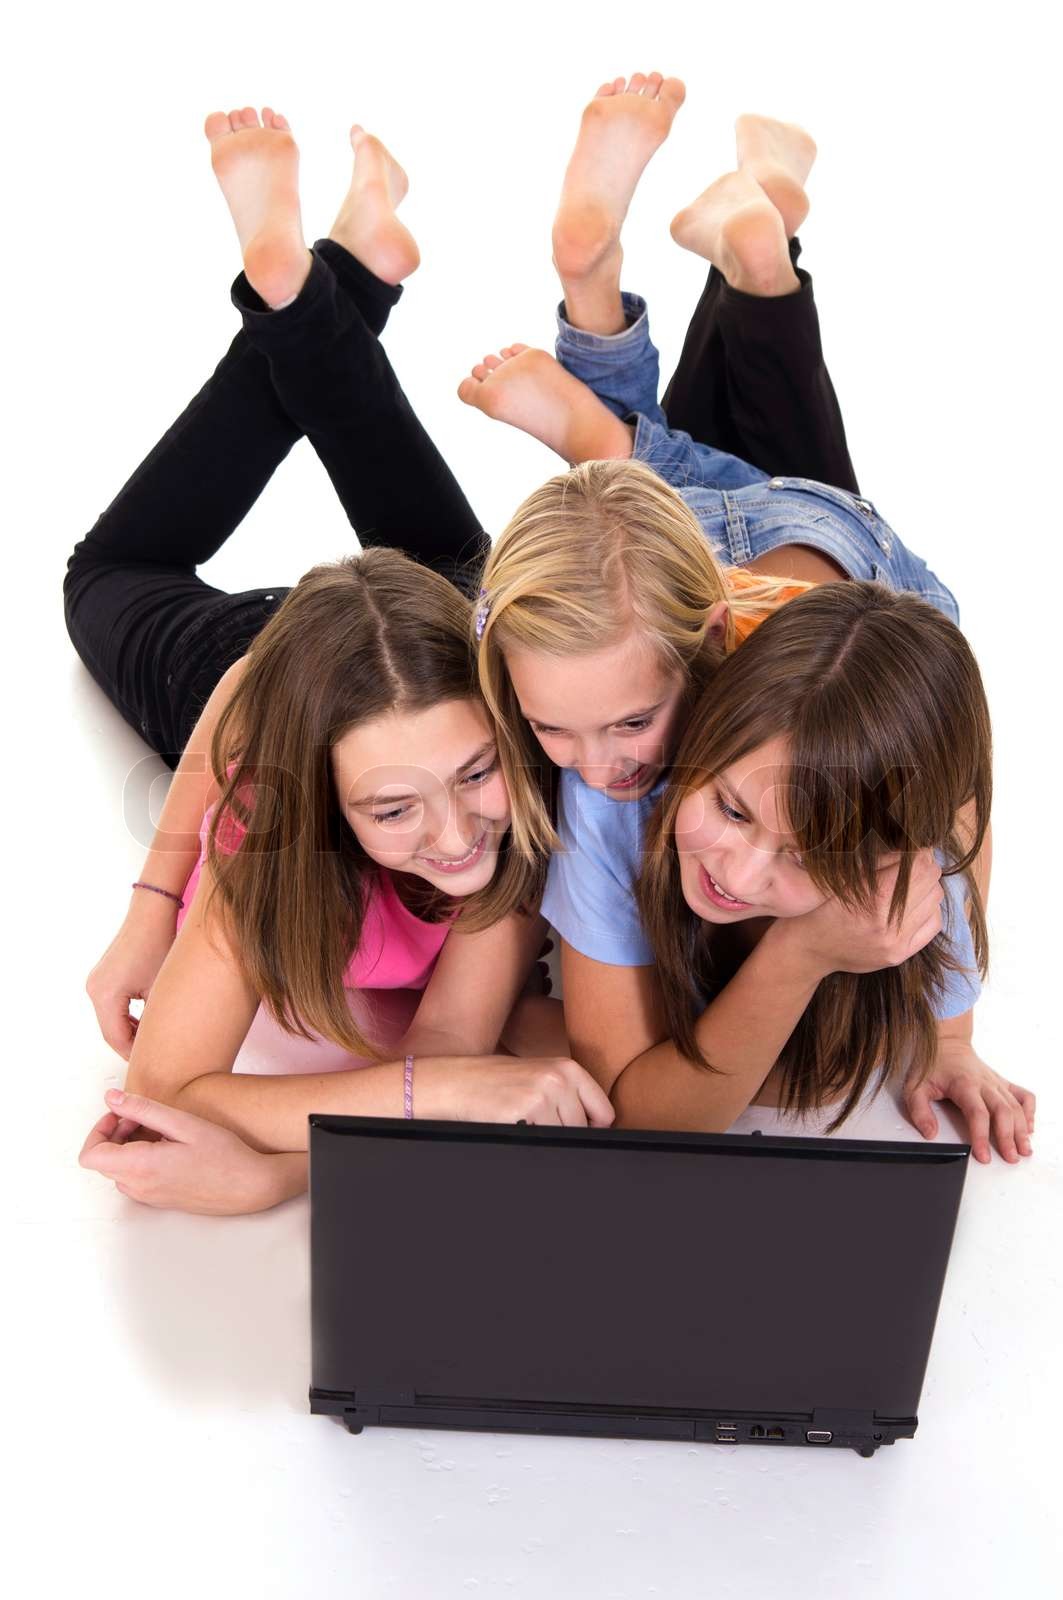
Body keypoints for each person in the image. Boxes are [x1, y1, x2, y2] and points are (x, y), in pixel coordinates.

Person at [459, 83, 1033, 1162]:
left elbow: (958, 805)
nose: (735, 865)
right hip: (795, 558)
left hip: (827, 577)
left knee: (689, 493)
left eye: (626, 730)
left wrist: (952, 1034)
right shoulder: (618, 755)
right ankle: (646, 358)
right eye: (724, 805)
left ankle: (726, 253)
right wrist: (802, 945)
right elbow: (640, 1114)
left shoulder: (808, 731)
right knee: (671, 499)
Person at [75, 107, 612, 1217]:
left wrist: (275, 1166)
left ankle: (337, 283)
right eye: (393, 811)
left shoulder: (519, 783)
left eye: (474, 776)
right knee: (108, 571)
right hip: (243, 656)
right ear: (321, 800)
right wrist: (152, 900)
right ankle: (328, 288)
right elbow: (166, 1091)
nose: (458, 837)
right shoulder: (270, 833)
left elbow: (446, 1065)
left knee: (454, 564)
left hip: (429, 620)